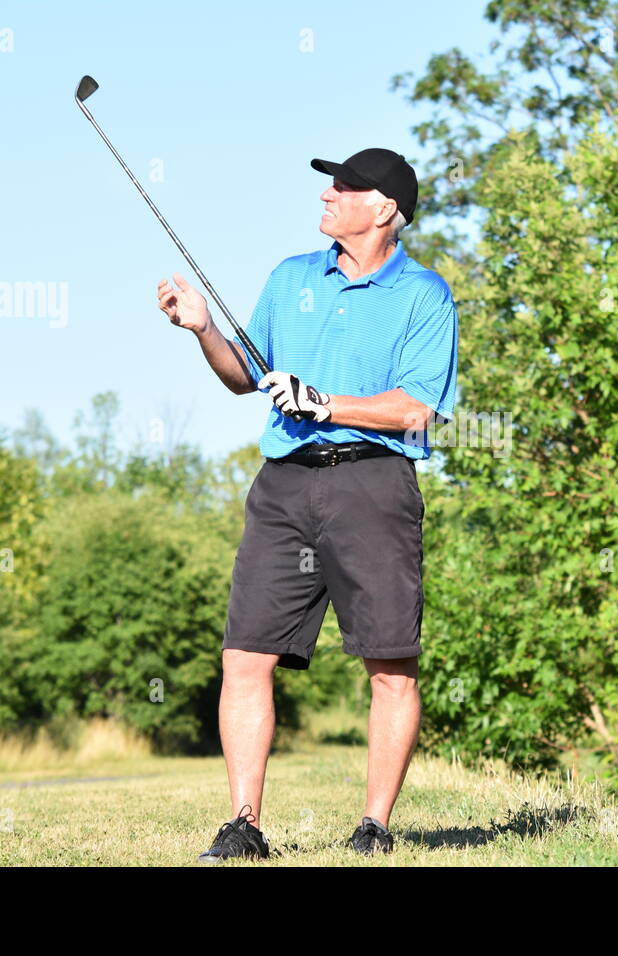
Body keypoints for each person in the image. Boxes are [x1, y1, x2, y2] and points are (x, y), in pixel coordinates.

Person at [156, 148, 458, 861]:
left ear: (383, 209)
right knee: (245, 656)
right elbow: (244, 375)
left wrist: (326, 402)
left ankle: (375, 828)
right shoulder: (290, 277)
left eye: (346, 186)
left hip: (374, 486)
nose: (329, 194)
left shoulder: (423, 294)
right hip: (285, 485)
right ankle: (244, 826)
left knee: (391, 662)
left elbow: (418, 407)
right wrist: (202, 328)